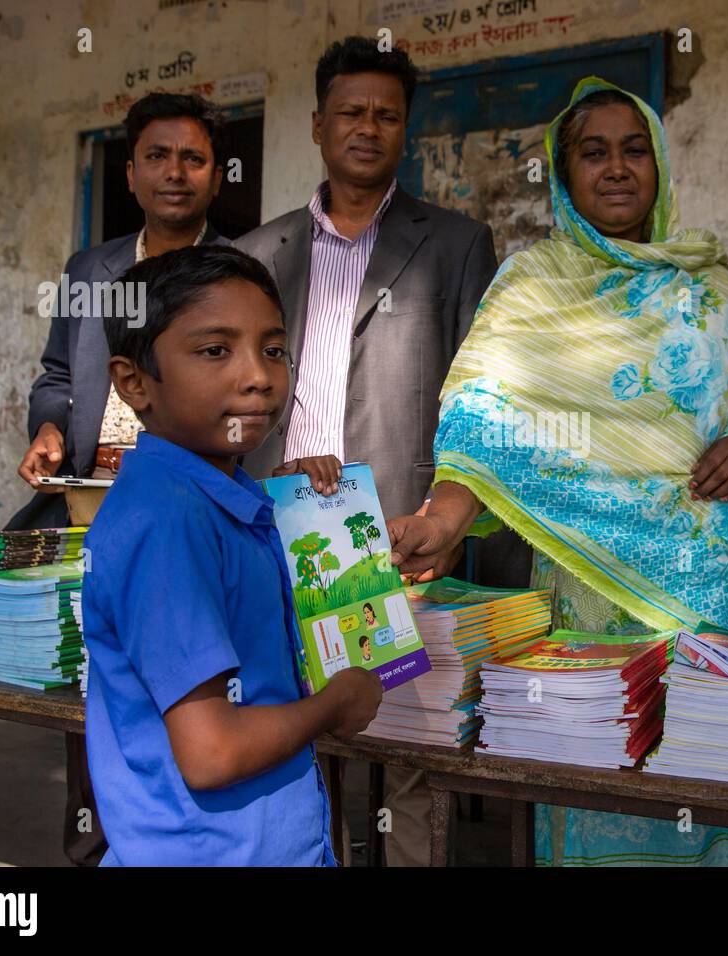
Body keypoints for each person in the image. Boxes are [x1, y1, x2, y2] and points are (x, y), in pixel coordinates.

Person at [387, 77, 728, 866]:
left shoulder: (709, 286)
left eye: (634, 151)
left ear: (658, 167)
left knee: (716, 804)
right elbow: (482, 430)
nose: (617, 168)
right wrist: (442, 523)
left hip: (723, 607)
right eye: (594, 152)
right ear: (564, 174)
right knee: (601, 773)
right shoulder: (530, 289)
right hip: (596, 607)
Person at [234, 36, 503, 867]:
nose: (368, 127)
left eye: (388, 115)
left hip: (401, 536)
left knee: (409, 758)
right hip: (281, 532)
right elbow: (232, 404)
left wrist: (448, 517)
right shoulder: (255, 255)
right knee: (291, 734)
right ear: (317, 125)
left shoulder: (457, 244)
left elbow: (479, 402)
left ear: (406, 132)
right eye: (351, 111)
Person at [82, 244, 383, 866]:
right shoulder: (166, 522)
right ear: (134, 382)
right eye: (215, 350)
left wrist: (309, 515)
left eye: (273, 349)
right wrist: (334, 704)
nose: (258, 376)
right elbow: (212, 752)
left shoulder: (222, 496)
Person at [8, 91, 230, 866]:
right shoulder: (89, 269)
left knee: (183, 690)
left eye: (193, 159)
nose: (176, 173)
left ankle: (179, 842)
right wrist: (46, 426)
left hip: (187, 517)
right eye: (159, 157)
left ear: (216, 175)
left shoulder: (235, 273)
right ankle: (95, 844)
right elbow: (56, 375)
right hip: (88, 511)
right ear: (131, 172)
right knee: (92, 689)